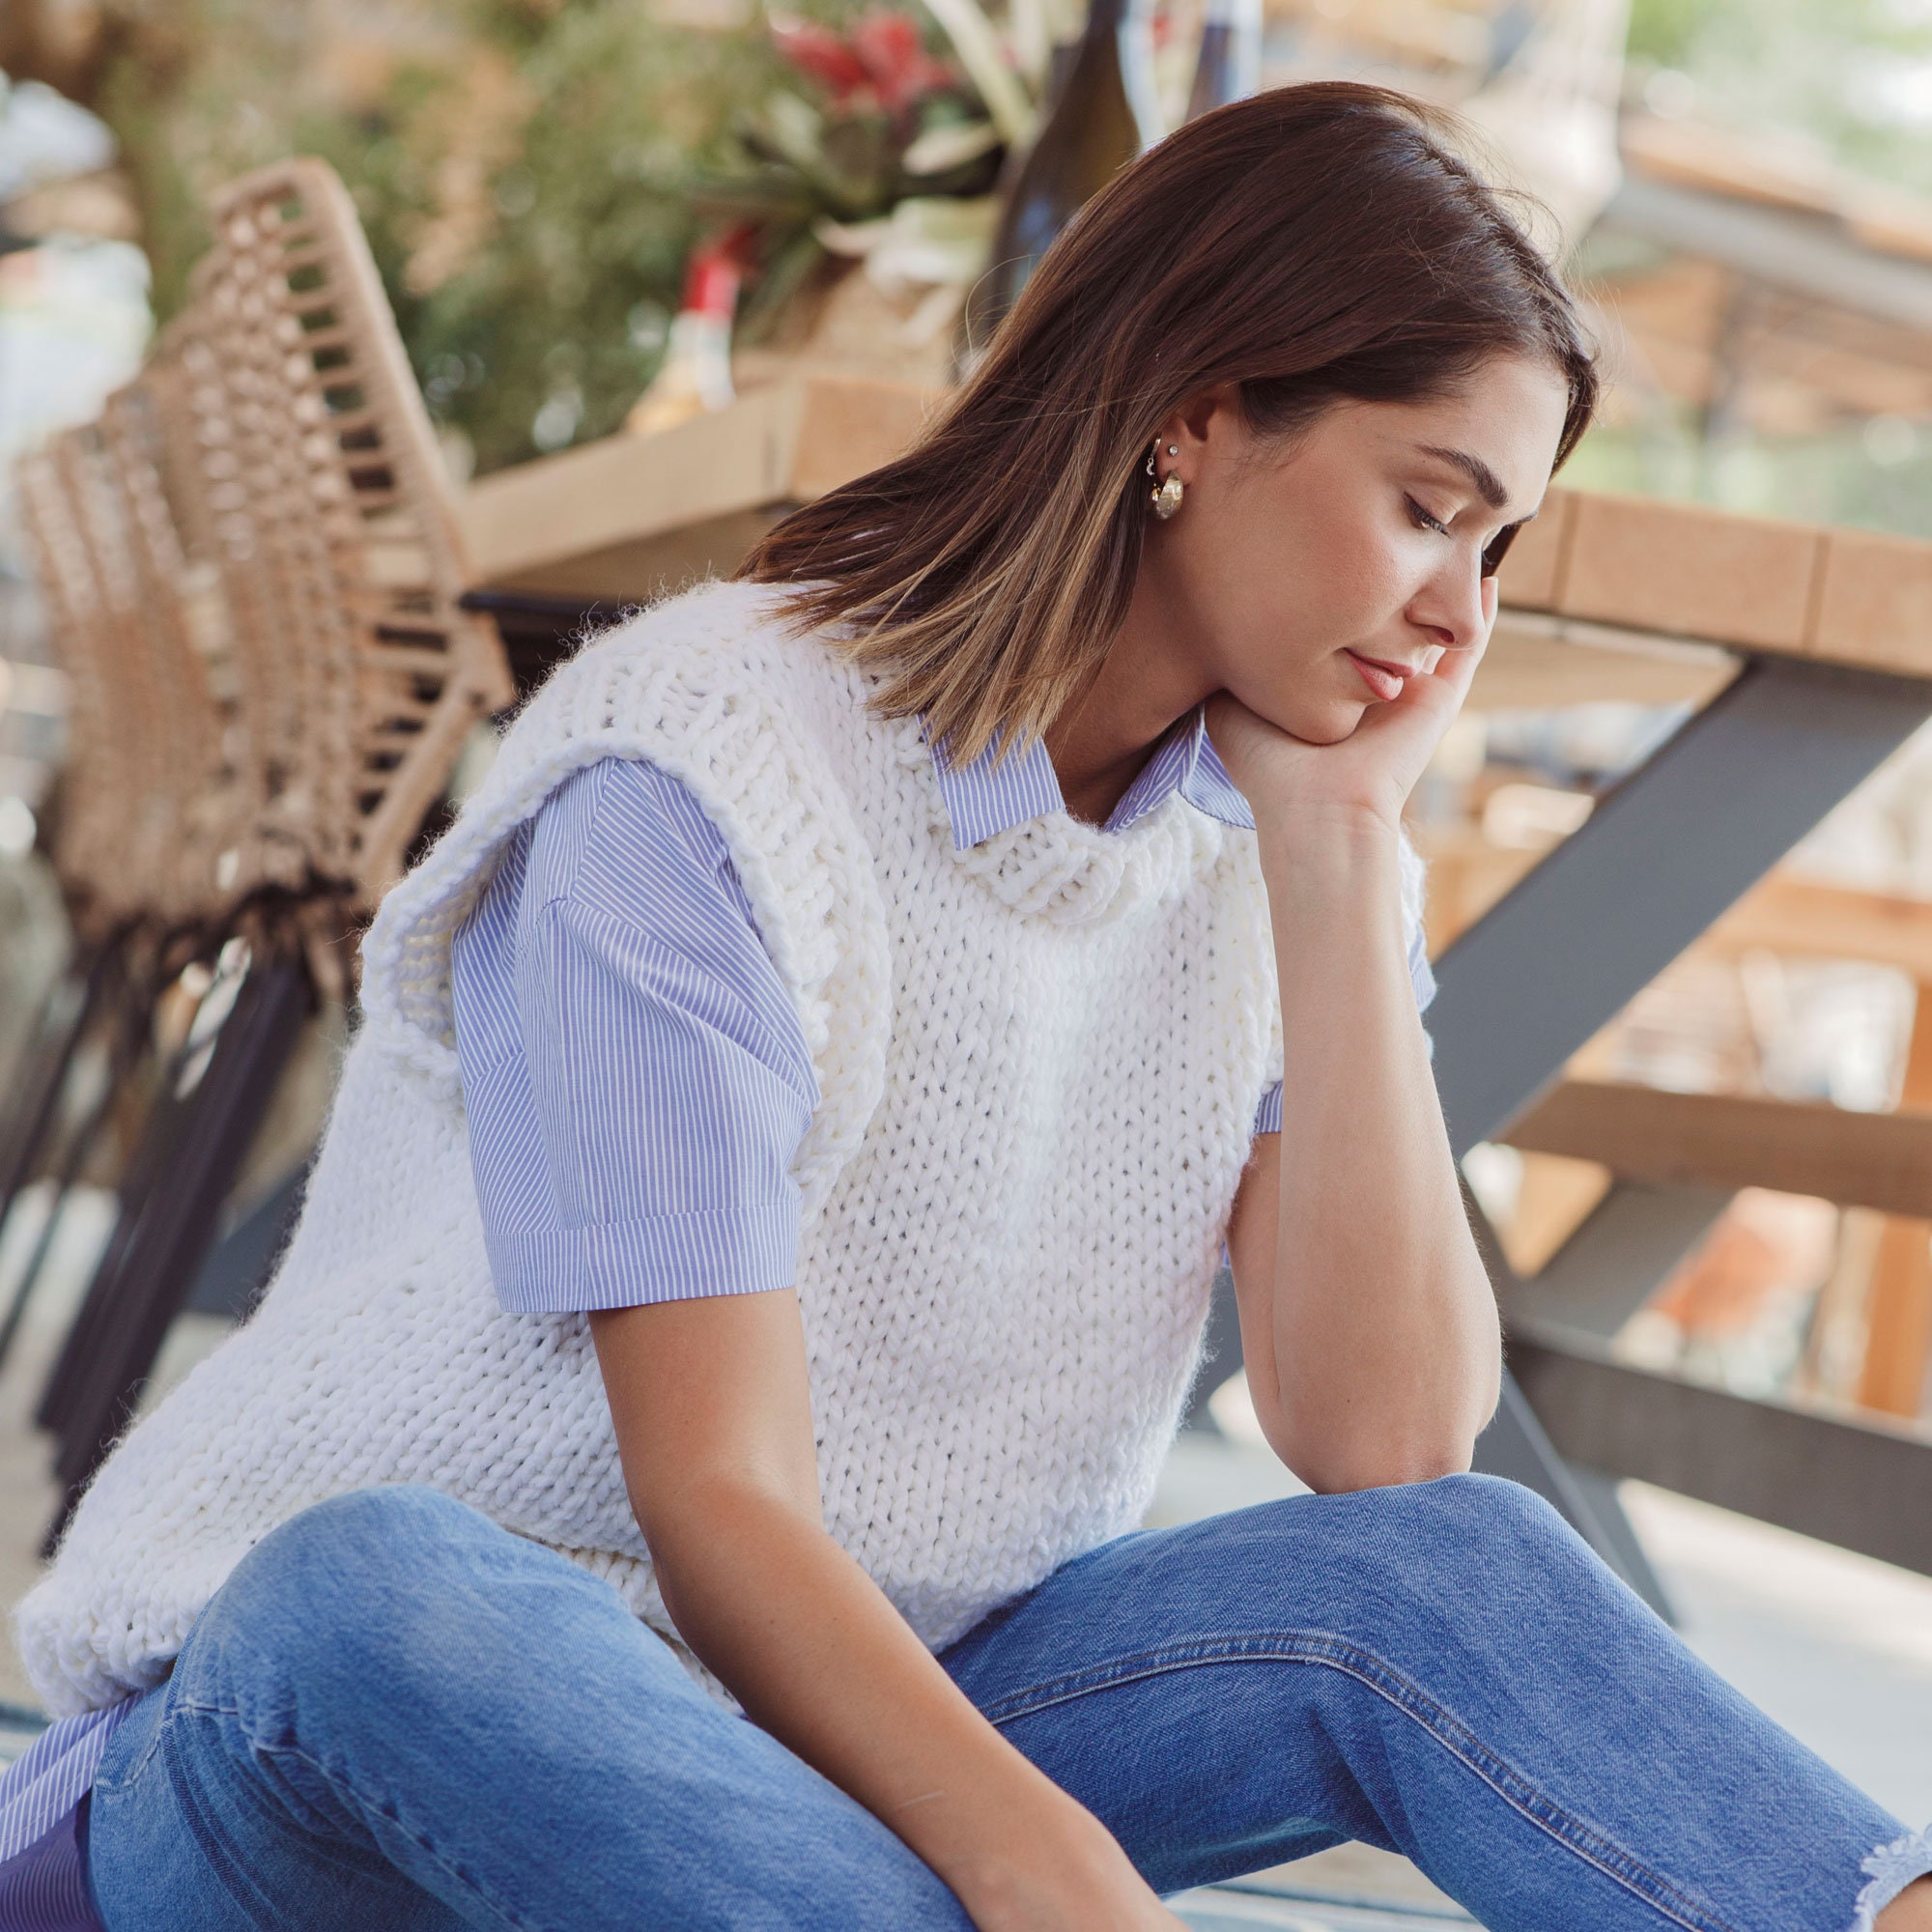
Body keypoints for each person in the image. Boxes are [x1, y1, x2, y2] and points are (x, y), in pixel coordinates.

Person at [2, 81, 1927, 1932]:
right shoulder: (705, 777)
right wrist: (1045, 1872)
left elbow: (1388, 1444)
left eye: (1498, 548)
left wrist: (1336, 851)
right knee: (381, 1579)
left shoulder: (1270, 846)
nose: (1463, 617)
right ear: (1193, 416)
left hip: (833, 1755)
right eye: (1432, 507)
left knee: (1459, 1572)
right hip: (357, 1750)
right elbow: (718, 1505)